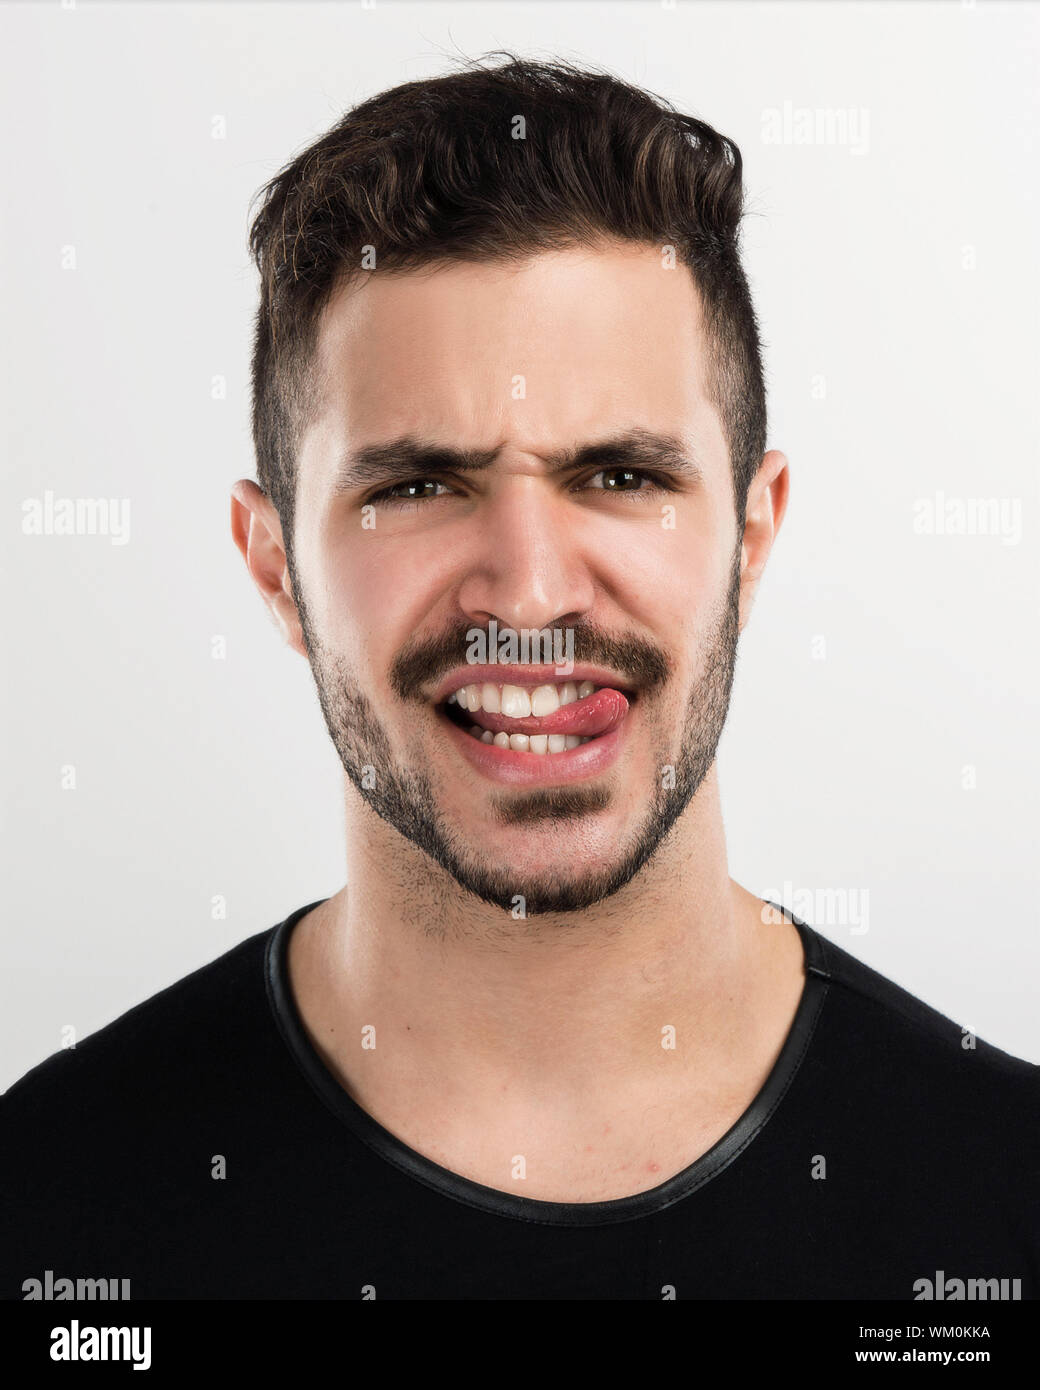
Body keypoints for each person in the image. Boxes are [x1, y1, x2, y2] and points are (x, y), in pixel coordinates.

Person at [3, 54, 1036, 1301]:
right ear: (274, 567)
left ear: (751, 536)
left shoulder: (1001, 1196)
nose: (530, 594)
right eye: (418, 487)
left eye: (619, 476)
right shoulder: (48, 1208)